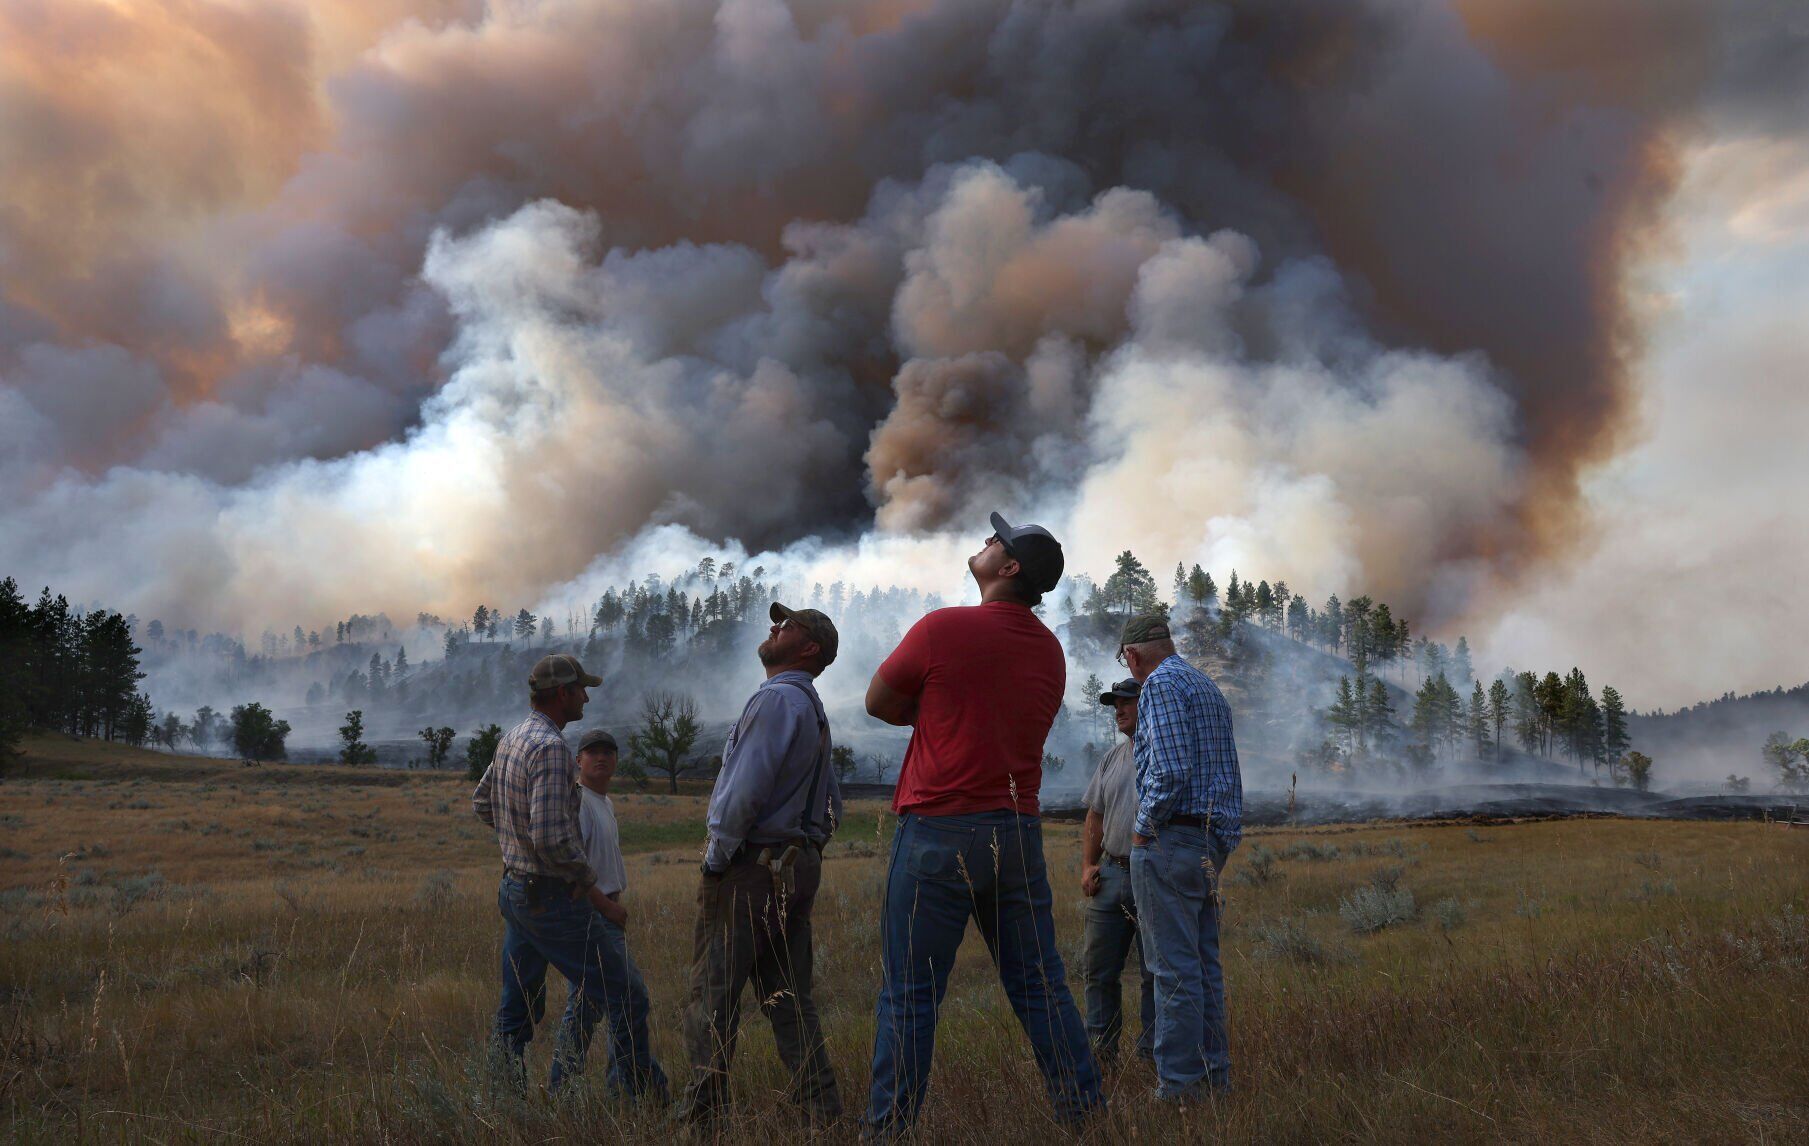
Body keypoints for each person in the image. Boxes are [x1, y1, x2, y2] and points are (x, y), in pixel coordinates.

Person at [862, 511, 1102, 1136]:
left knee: (910, 996)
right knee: (1041, 985)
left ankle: (887, 1132)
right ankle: (1086, 1118)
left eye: (998, 540)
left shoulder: (942, 628)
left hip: (938, 831)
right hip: (1016, 833)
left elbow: (877, 701)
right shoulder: (1050, 652)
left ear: (1010, 566)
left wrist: (932, 712)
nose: (988, 540)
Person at [676, 603, 844, 1127]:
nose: (774, 627)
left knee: (713, 996)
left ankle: (701, 1122)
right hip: (793, 866)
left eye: (787, 625)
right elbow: (832, 805)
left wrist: (716, 861)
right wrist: (806, 850)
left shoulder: (774, 699)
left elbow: (742, 792)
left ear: (809, 648)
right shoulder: (810, 706)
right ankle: (823, 1114)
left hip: (752, 868)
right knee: (788, 997)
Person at [472, 653, 664, 1099]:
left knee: (517, 1005)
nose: (586, 699)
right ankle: (635, 1100)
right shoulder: (553, 748)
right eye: (581, 690)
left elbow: (482, 803)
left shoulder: (512, 738)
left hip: (515, 890)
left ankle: (503, 1099)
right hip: (550, 897)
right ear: (562, 693)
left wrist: (515, 842)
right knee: (626, 994)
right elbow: (550, 838)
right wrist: (584, 876)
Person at [1118, 613, 1244, 1102]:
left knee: (1171, 969)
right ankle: (1214, 1079)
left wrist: (1142, 829)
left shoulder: (1160, 685)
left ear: (1132, 656)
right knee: (1203, 966)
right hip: (1208, 842)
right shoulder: (1206, 687)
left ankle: (1180, 1088)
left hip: (1170, 840)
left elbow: (1169, 771)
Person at [1079, 678, 1154, 1067]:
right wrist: (1088, 865)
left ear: (1148, 704)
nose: (1118, 710)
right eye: (1114, 704)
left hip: (1152, 875)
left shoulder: (1163, 754)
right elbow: (1095, 815)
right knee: (1098, 971)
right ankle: (1101, 1055)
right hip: (1110, 873)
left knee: (1154, 973)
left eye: (1127, 702)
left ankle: (1152, 1055)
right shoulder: (1111, 758)